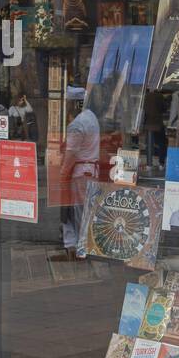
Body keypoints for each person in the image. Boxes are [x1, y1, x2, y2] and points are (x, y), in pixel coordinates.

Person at [61, 85, 100, 251]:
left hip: (81, 173)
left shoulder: (76, 125)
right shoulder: (91, 117)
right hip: (92, 171)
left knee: (80, 212)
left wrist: (62, 173)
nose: (67, 107)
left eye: (69, 103)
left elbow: (71, 153)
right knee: (89, 211)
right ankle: (87, 245)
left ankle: (82, 248)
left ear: (76, 104)